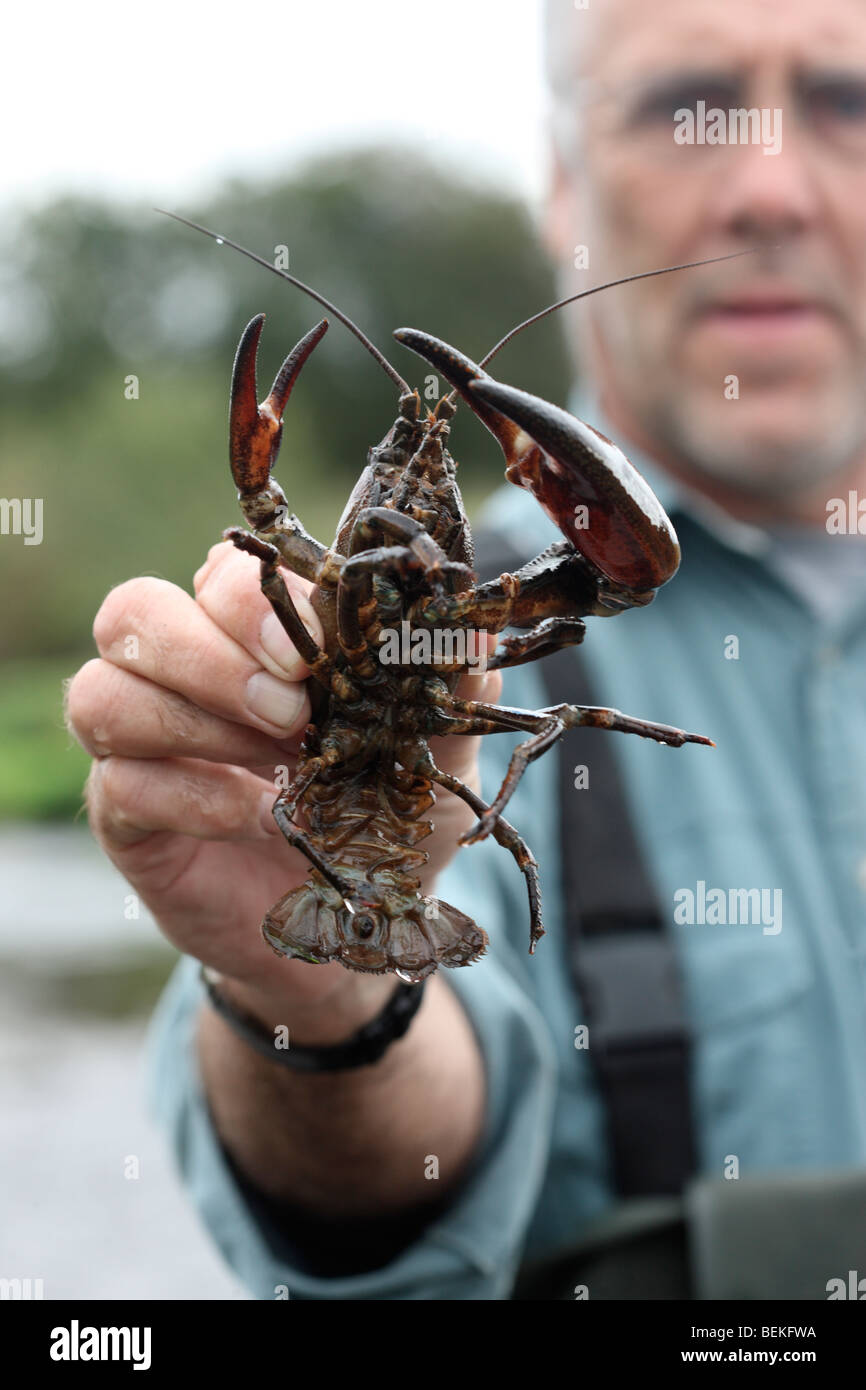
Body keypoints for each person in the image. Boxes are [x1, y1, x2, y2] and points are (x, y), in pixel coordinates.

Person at [66, 0, 866, 1300]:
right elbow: (385, 1183)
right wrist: (311, 1007)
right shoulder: (506, 619)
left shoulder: (544, 606)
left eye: (842, 101)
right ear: (561, 185)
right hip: (359, 808)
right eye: (685, 104)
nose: (764, 183)